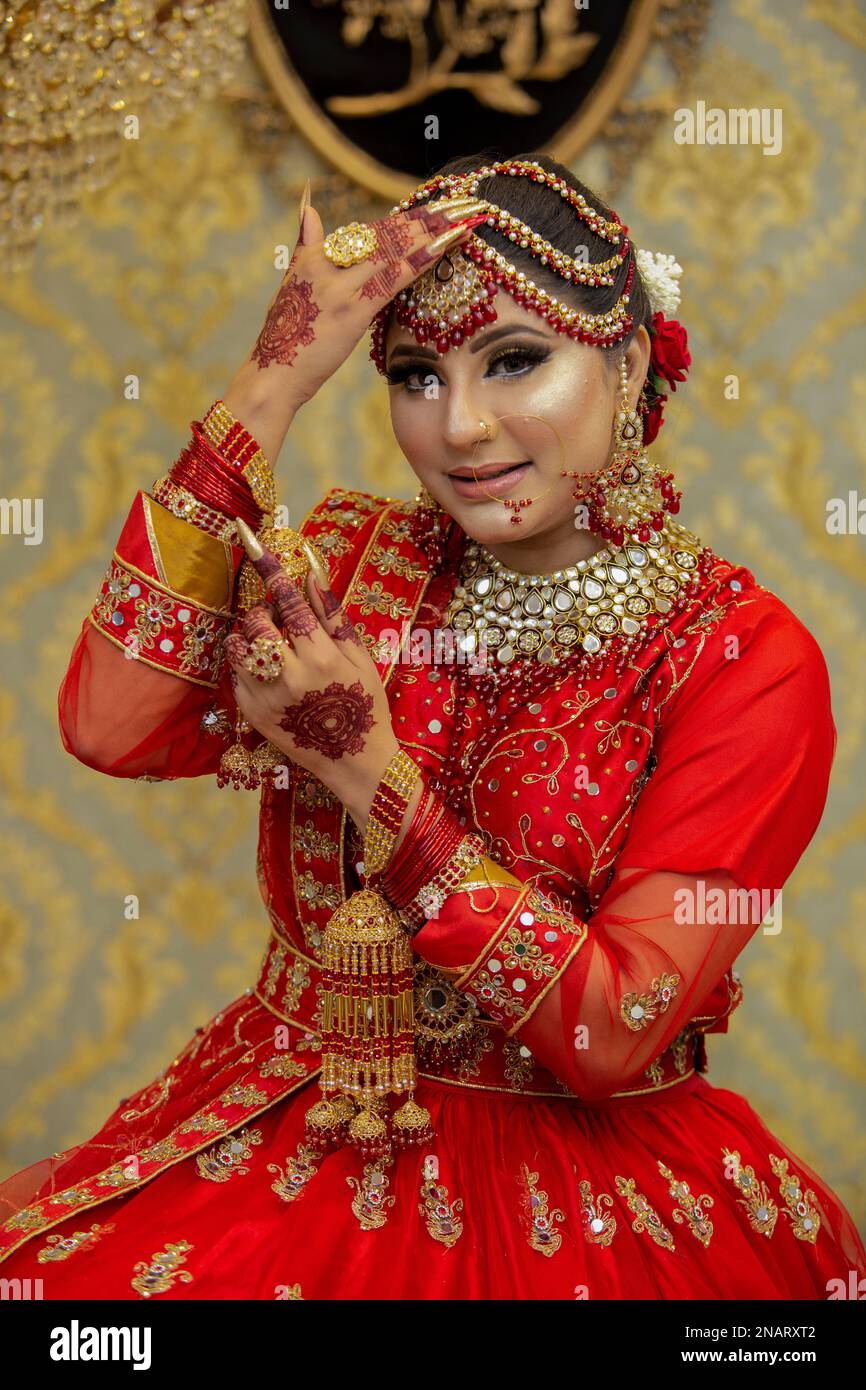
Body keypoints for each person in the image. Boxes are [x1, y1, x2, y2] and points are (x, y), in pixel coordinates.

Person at [0, 152, 863, 1301]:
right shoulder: (353, 563)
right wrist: (266, 387)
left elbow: (611, 1030)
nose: (460, 426)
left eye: (513, 361)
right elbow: (110, 725)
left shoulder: (741, 659)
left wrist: (371, 777)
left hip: (586, 1194)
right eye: (414, 374)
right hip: (285, 1117)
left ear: (629, 354)